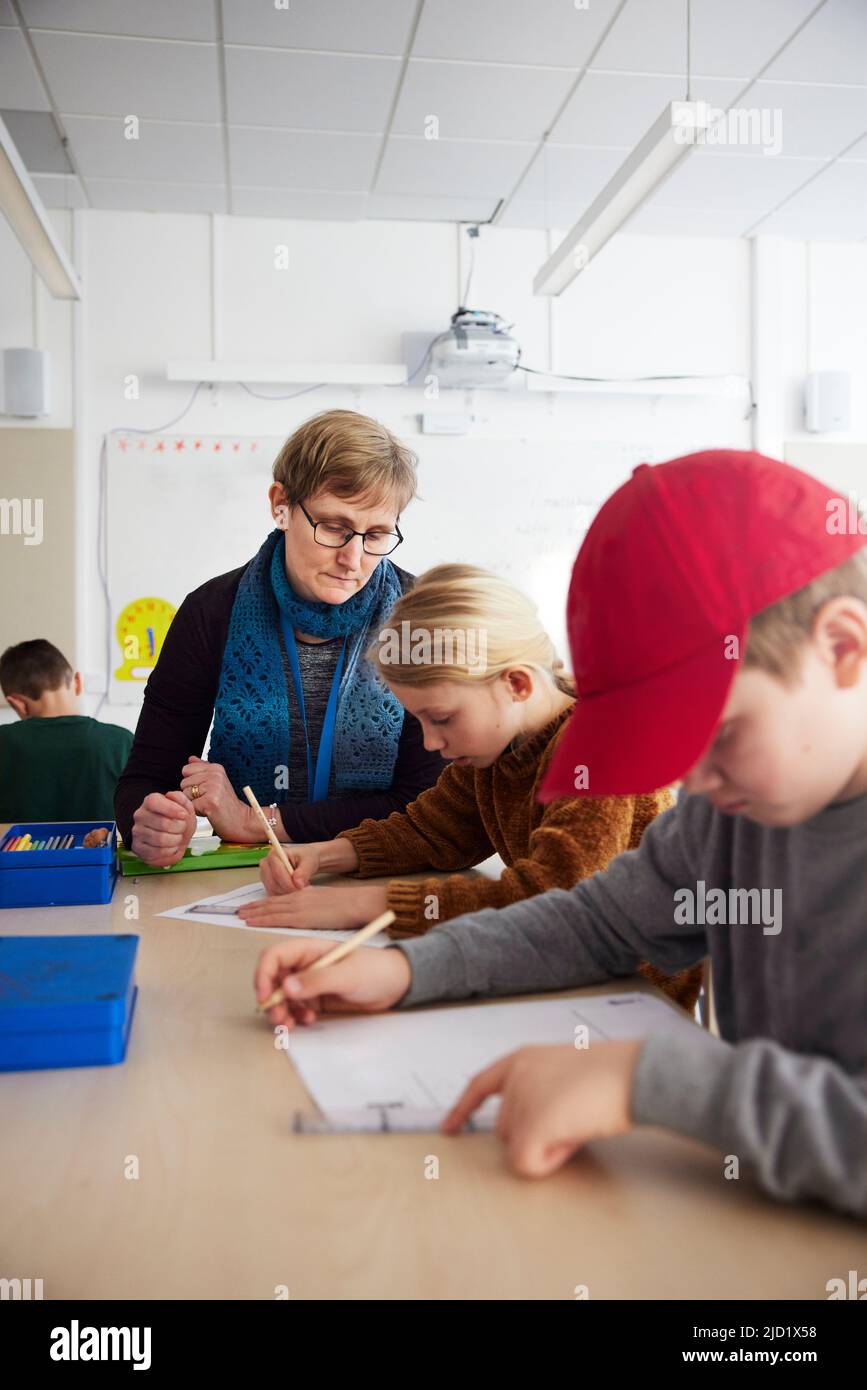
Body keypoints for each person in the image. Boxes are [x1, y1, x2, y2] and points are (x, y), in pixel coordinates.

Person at [253, 451, 867, 1217]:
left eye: (715, 732)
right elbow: (596, 923)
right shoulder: (728, 810)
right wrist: (405, 970)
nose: (692, 783)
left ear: (842, 649)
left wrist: (642, 1081)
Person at [241, 564, 699, 1012]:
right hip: (555, 981)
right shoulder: (497, 747)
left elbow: (550, 901)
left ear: (516, 683)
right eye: (418, 719)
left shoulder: (601, 746)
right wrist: (327, 853)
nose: (430, 741)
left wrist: (370, 904)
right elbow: (433, 830)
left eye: (441, 718)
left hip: (628, 1001)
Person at [114, 410, 442, 866]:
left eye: (377, 534)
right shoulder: (211, 612)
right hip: (246, 875)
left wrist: (257, 821)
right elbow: (146, 777)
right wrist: (150, 823)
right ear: (280, 505)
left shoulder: (421, 615)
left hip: (384, 872)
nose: (353, 558)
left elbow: (427, 805)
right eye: (334, 527)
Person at [0, 639, 132, 821]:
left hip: (18, 849)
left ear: (18, 703)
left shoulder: (4, 741)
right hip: (102, 849)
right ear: (77, 682)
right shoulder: (123, 741)